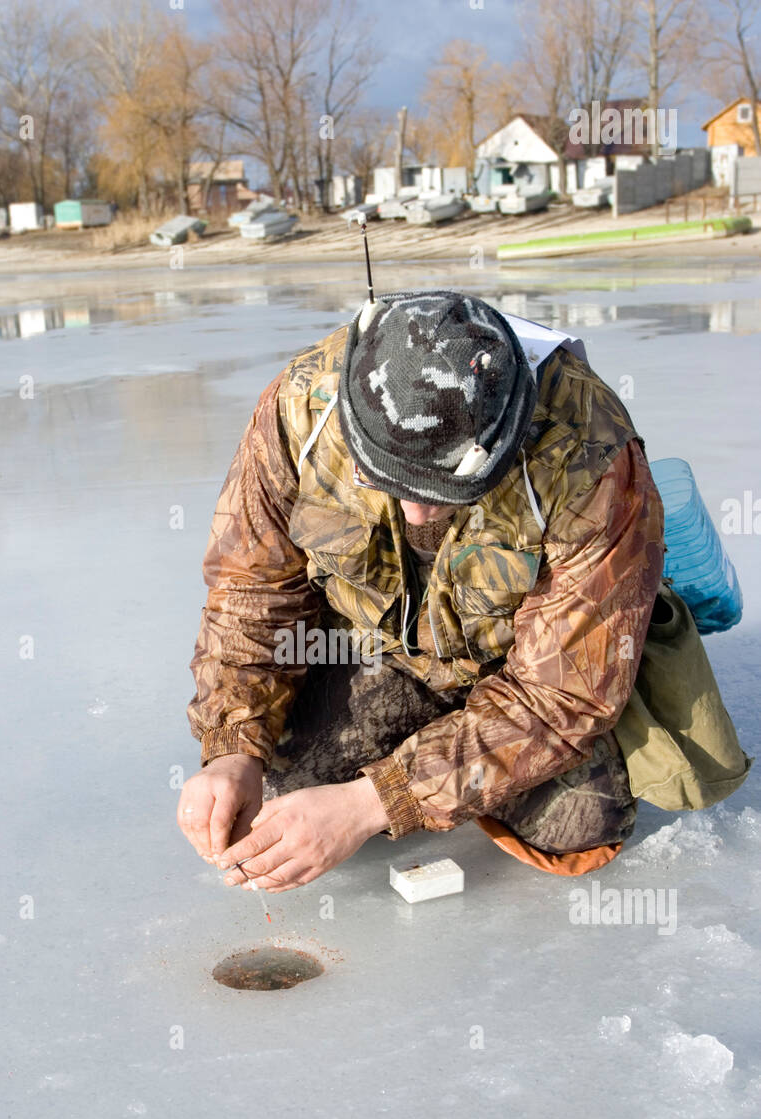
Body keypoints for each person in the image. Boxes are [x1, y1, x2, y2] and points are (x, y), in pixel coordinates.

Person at [175, 290, 688, 892]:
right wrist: (232, 745)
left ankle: (443, 774)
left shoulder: (588, 453)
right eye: (387, 479)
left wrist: (372, 803)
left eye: (447, 490)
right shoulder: (302, 405)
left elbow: (562, 692)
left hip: (515, 671)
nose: (417, 514)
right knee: (286, 781)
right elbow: (253, 588)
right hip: (376, 648)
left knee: (580, 826)